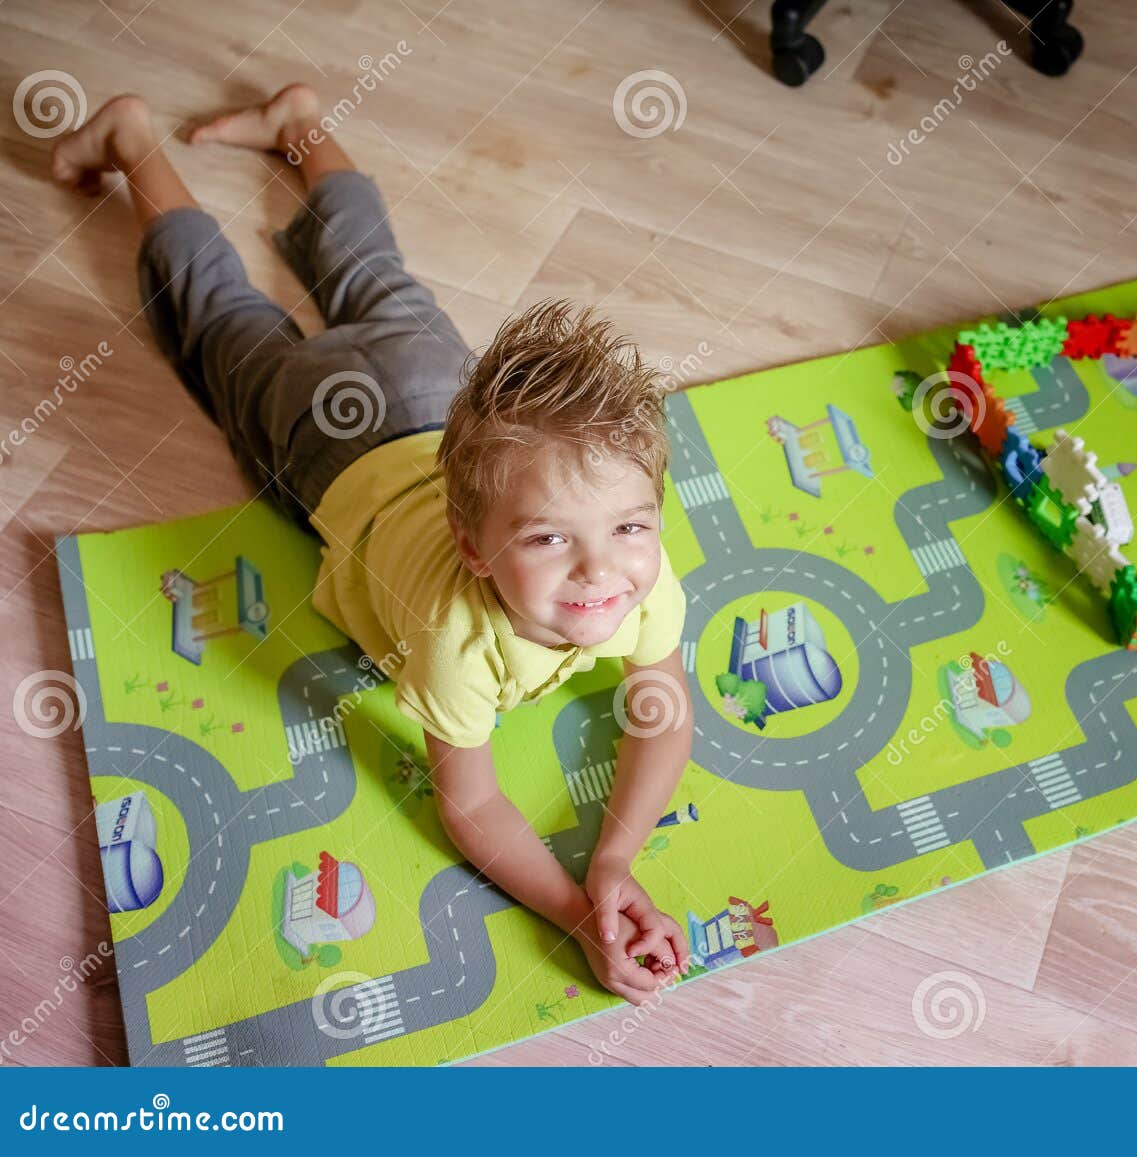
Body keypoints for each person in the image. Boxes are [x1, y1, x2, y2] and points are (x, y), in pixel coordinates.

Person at [51, 85, 693, 1006]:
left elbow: (663, 706)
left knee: (368, 271)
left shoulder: (642, 575)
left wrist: (615, 859)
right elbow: (473, 803)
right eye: (551, 537)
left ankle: (298, 123)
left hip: (436, 385)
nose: (603, 570)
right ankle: (139, 143)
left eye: (630, 525)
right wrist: (577, 913)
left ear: (652, 515)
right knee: (225, 321)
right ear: (472, 549)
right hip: (321, 434)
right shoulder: (451, 640)